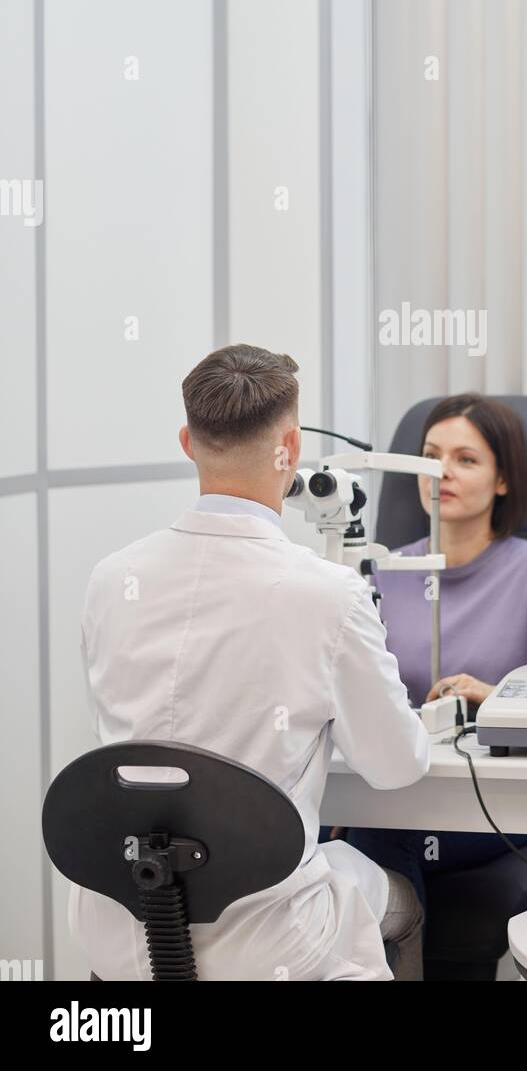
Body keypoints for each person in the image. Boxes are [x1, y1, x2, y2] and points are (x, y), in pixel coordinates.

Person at [69, 343, 430, 981]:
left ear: (187, 440)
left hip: (119, 932)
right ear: (288, 447)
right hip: (270, 944)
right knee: (403, 898)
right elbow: (395, 768)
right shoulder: (330, 593)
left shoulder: (109, 578)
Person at [341, 393, 527, 910]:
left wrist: (493, 696)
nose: (440, 471)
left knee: (378, 839)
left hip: (498, 802)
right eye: (430, 455)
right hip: (398, 789)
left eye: (464, 459)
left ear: (502, 480)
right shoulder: (376, 570)